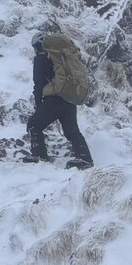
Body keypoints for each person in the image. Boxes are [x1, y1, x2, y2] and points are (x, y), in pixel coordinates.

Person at [26, 30, 93, 167]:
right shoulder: (61, 58)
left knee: (34, 124)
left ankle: (39, 156)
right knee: (72, 131)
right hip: (68, 98)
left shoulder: (40, 58)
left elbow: (38, 84)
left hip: (54, 100)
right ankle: (85, 159)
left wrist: (39, 105)